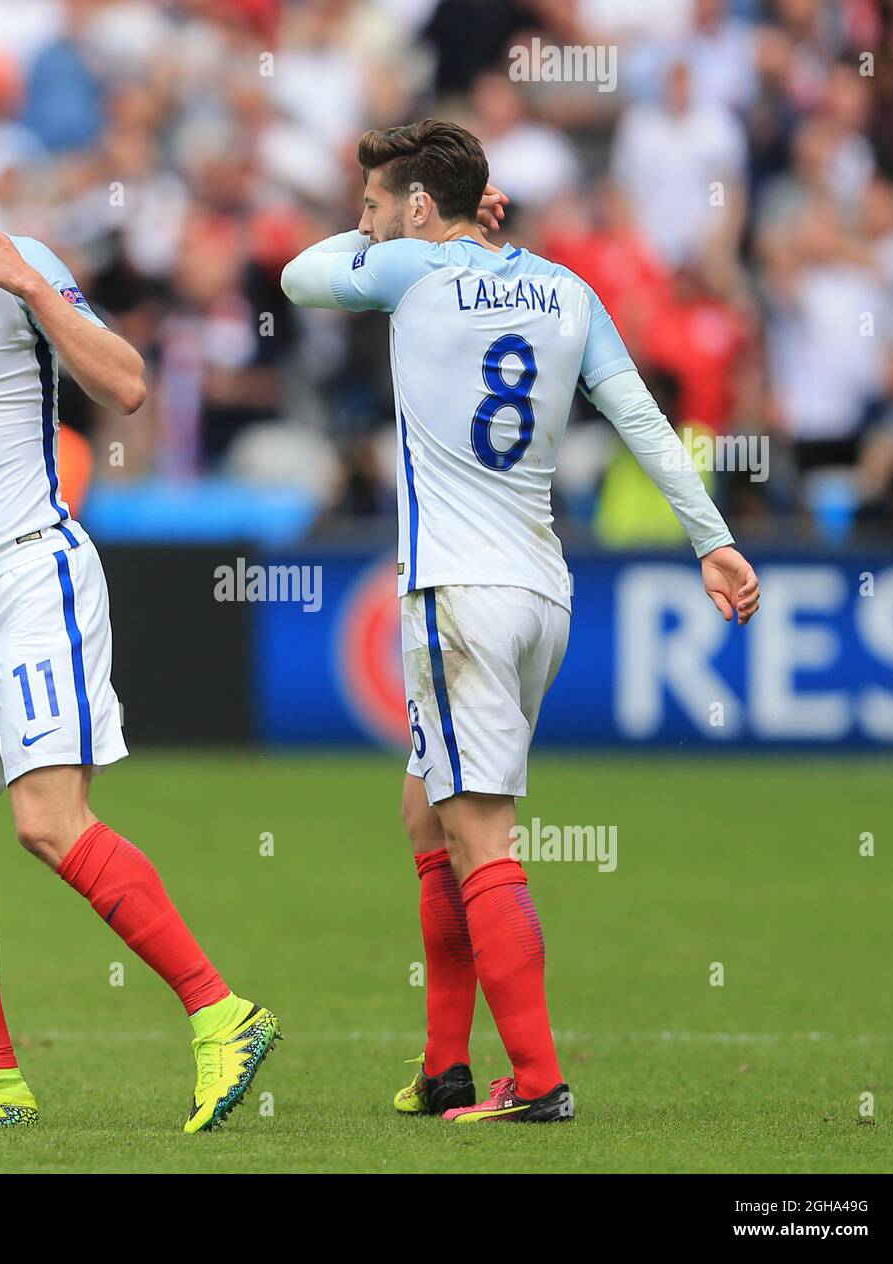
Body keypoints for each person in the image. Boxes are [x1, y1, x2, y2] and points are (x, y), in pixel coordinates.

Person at [281, 119, 758, 1123]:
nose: (364, 223)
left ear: (415, 208)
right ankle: (445, 1063)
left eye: (376, 204)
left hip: (455, 593)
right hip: (541, 592)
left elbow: (298, 275)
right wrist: (709, 538)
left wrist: (394, 239)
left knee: (481, 835)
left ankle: (537, 1081)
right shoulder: (567, 290)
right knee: (428, 812)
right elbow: (639, 421)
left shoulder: (407, 269)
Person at [0, 116, 278, 1133]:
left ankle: (223, 1012)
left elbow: (123, 383)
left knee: (45, 822)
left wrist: (32, 288)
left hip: (37, 572)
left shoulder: (20, 265)